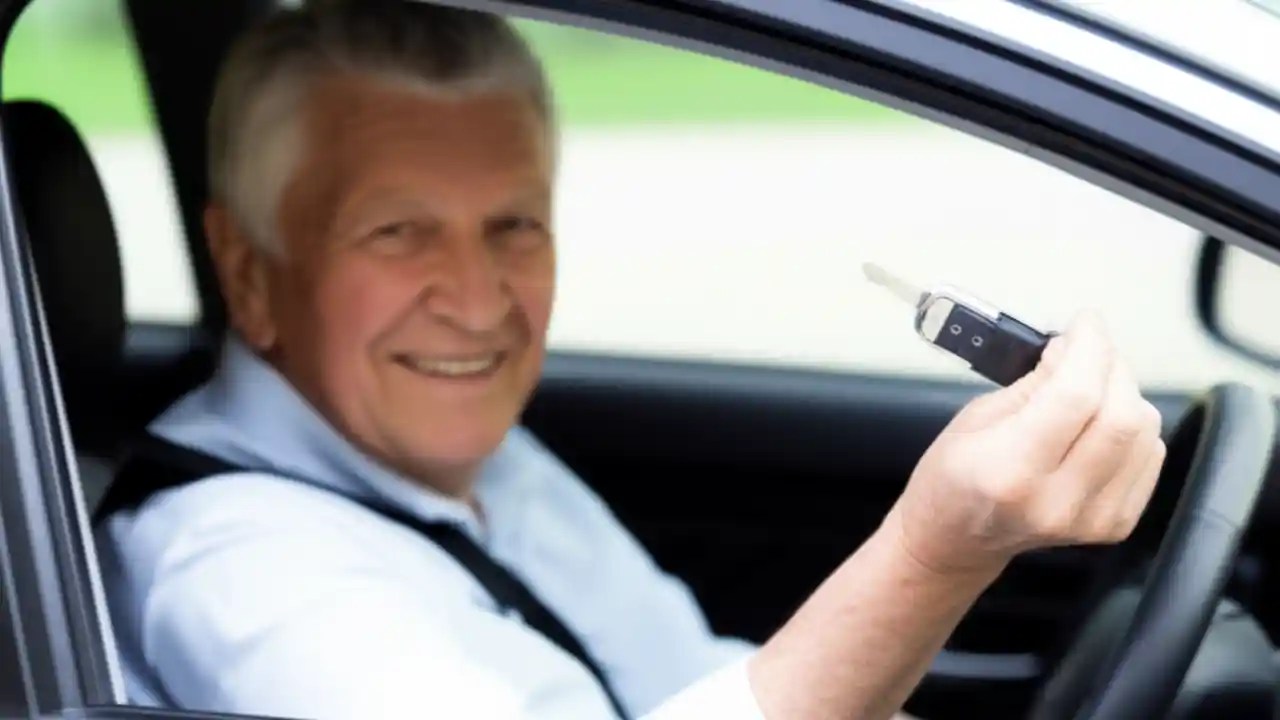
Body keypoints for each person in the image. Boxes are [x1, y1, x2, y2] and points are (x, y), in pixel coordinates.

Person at [93, 2, 1167, 719]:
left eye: (513, 225)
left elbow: (699, 681)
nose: (477, 303)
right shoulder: (236, 565)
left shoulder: (471, 461)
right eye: (396, 233)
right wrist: (933, 555)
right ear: (246, 271)